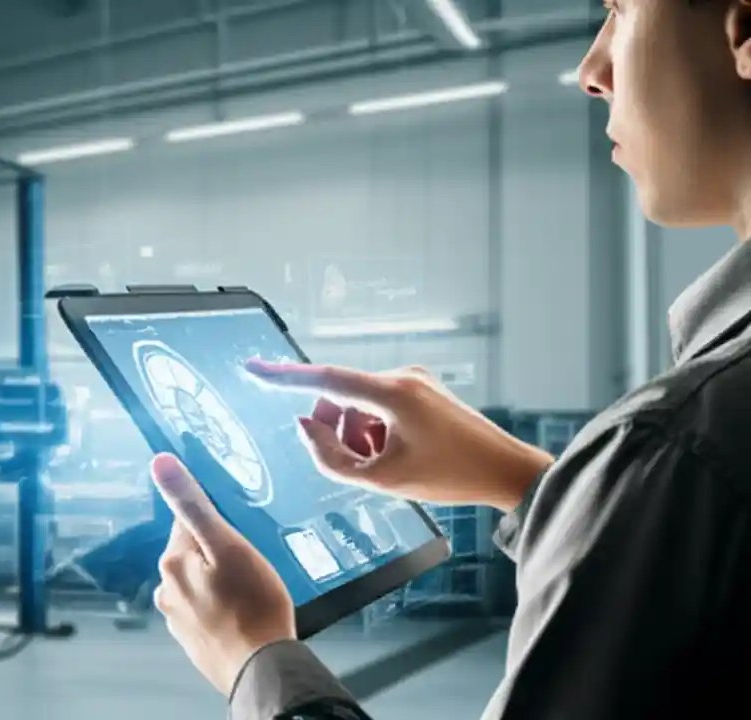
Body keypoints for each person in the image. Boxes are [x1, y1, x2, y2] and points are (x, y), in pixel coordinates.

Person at [147, 1, 751, 718]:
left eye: (620, 10)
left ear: (743, 33)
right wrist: (529, 484)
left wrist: (257, 658)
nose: (593, 71)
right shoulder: (688, 455)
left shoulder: (685, 443)